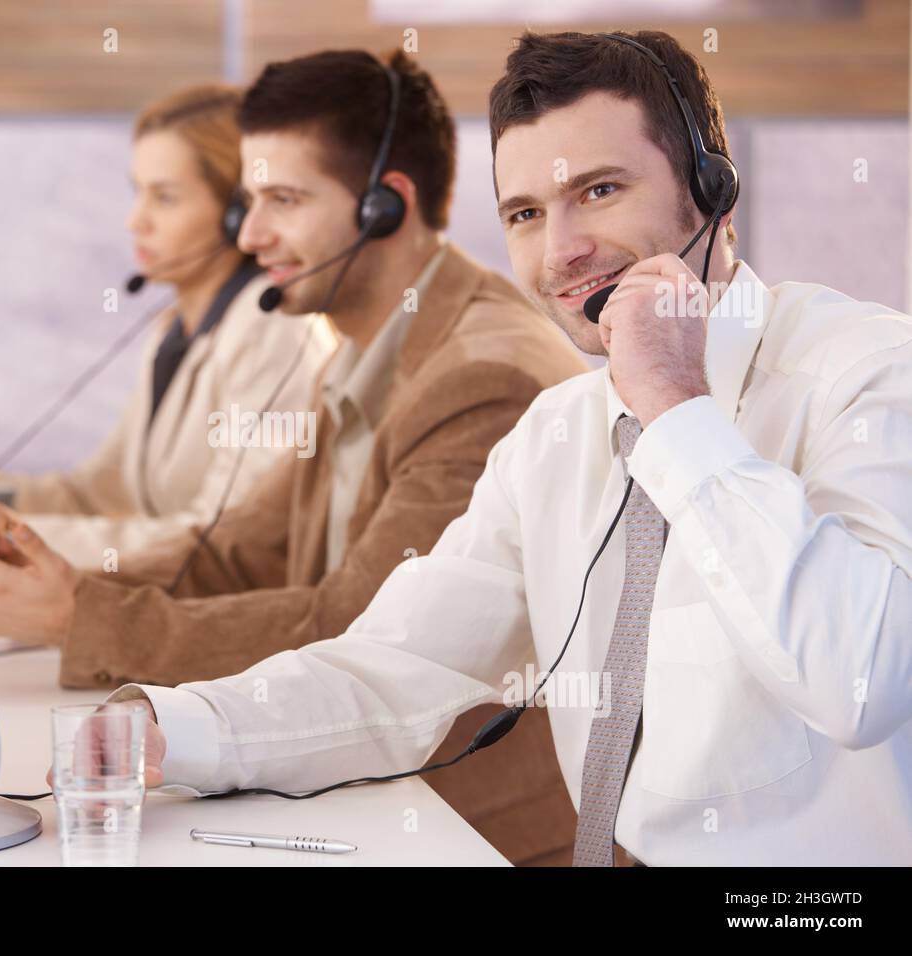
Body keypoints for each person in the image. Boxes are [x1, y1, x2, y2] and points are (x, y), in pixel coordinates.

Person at [82, 31, 912, 866]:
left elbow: (862, 682)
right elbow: (393, 670)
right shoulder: (555, 436)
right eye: (525, 214)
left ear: (714, 191)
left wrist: (677, 411)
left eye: (599, 190)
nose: (559, 252)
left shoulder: (868, 374)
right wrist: (167, 726)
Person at [0, 49, 588, 865]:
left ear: (382, 207)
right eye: (249, 201)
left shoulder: (482, 376)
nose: (250, 233)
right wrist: (70, 591)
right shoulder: (363, 346)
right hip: (367, 794)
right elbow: (240, 552)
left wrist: (81, 619)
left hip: (468, 828)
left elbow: (354, 629)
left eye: (282, 201)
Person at [0, 84, 332, 569]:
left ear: (237, 213)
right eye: (137, 193)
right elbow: (99, 492)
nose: (135, 221)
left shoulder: (276, 332)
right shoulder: (174, 330)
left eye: (164, 197)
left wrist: (6, 540)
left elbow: (219, 538)